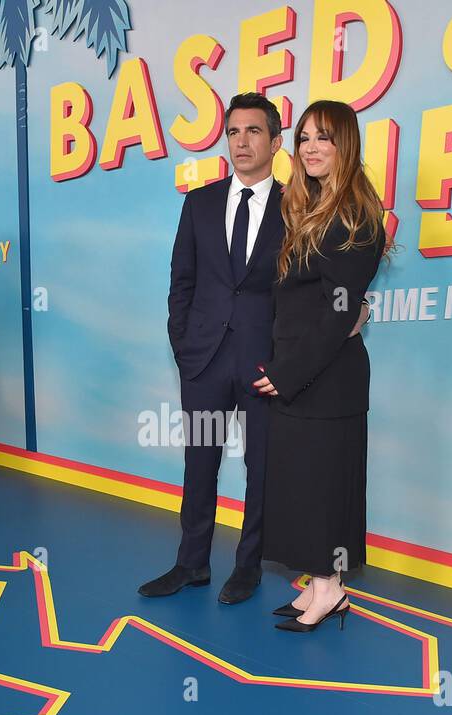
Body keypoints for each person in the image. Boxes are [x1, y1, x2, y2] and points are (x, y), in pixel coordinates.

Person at [137, 93, 286, 606]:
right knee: (200, 462)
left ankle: (248, 568)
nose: (241, 141)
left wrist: (286, 360)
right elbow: (182, 281)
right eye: (234, 132)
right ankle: (191, 563)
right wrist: (183, 344)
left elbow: (300, 292)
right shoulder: (198, 202)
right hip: (203, 361)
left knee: (264, 468)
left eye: (253, 131)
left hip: (264, 365)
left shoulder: (296, 207)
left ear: (276, 140)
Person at [252, 100, 390, 632]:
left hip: (327, 380)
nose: (311, 148)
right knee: (303, 489)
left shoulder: (355, 215)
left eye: (324, 138)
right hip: (301, 375)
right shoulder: (308, 209)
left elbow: (338, 315)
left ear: (345, 145)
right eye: (305, 137)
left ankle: (331, 591)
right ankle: (322, 587)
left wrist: (286, 373)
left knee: (326, 490)